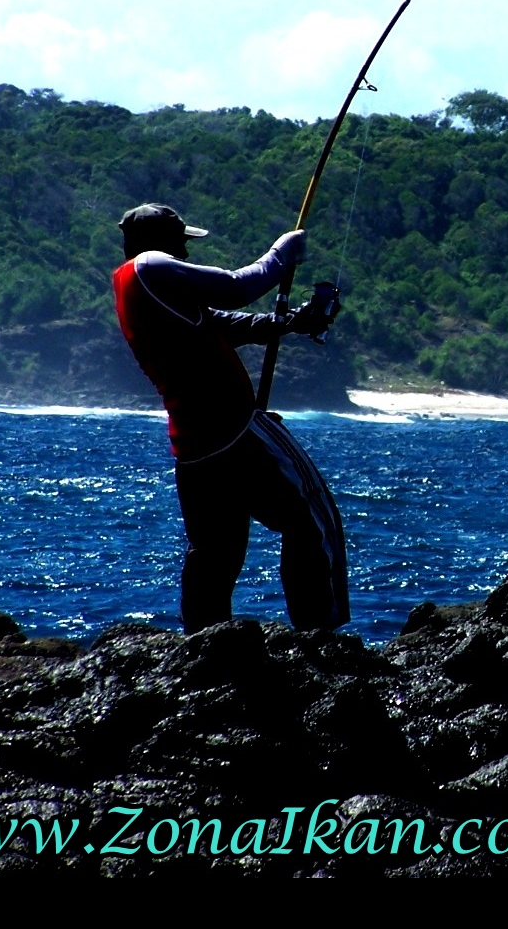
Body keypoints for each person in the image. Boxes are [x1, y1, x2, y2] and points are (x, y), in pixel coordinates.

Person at [113, 203, 349, 634]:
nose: (185, 251)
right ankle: (320, 637)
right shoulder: (151, 266)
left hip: (195, 447)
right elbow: (235, 287)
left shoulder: (138, 288)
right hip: (236, 430)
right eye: (181, 241)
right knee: (312, 518)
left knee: (215, 552)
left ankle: (204, 645)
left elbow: (221, 325)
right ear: (161, 242)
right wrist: (281, 254)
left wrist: (289, 323)